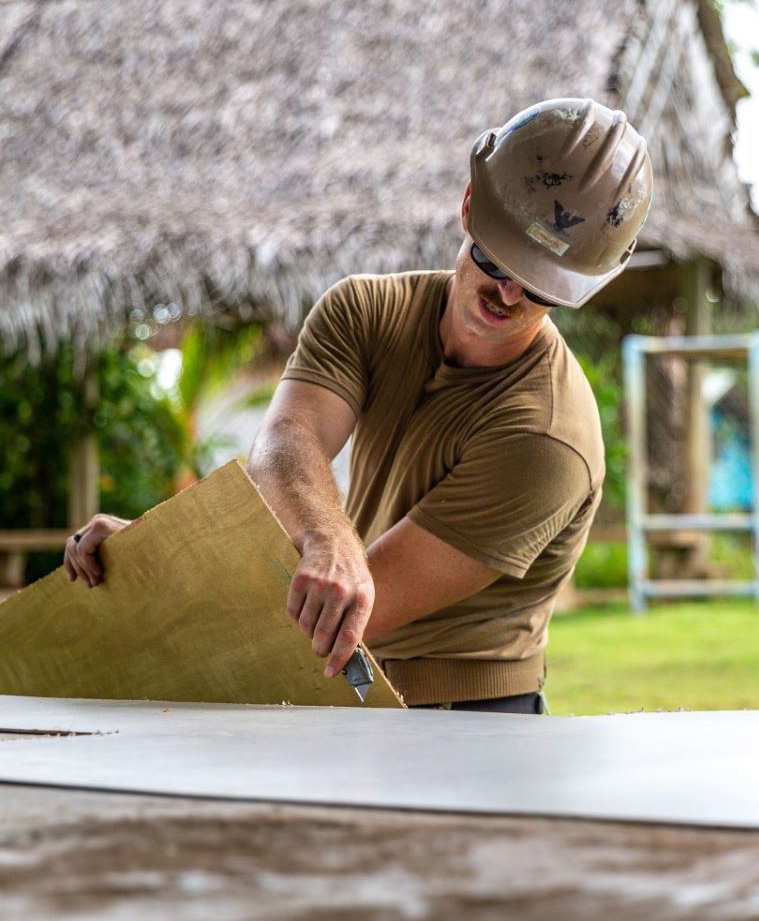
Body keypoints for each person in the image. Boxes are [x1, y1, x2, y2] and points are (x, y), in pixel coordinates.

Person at [62, 97, 653, 713]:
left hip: (471, 718)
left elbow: (342, 612)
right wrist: (320, 540)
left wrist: (157, 571)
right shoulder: (366, 311)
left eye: (540, 286)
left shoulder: (547, 440)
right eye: (495, 259)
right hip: (353, 685)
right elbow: (288, 444)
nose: (508, 294)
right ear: (470, 208)